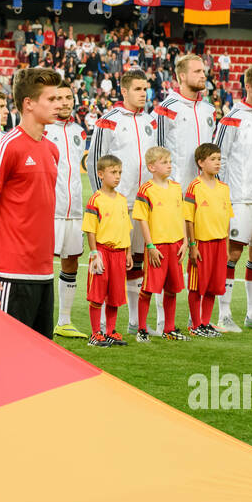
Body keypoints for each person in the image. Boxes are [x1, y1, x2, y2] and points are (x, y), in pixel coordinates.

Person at [0, 67, 63, 337]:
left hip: (45, 274)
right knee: (6, 361)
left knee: (40, 363)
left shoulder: (51, 149)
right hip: (11, 275)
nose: (59, 104)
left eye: (59, 98)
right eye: (51, 99)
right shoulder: (7, 147)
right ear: (29, 103)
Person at [89, 70, 161, 335]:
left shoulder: (150, 121)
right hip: (118, 204)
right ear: (125, 91)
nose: (144, 93)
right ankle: (106, 326)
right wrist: (103, 201)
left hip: (144, 202)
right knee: (115, 261)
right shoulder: (108, 121)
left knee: (139, 260)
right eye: (139, 89)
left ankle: (134, 322)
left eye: (146, 89)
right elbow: (94, 159)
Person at [214, 65, 252, 333]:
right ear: (247, 87)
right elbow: (220, 157)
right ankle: (224, 314)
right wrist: (222, 195)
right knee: (233, 253)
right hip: (239, 197)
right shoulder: (231, 118)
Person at [47, 82, 89, 339]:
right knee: (41, 262)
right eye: (59, 98)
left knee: (71, 260)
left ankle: (64, 320)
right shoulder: (42, 128)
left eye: (68, 97)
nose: (64, 102)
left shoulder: (79, 131)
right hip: (49, 208)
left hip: (73, 209)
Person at [132, 147, 186, 341]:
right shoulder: (146, 190)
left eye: (170, 161)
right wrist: (150, 246)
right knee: (148, 288)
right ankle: (142, 329)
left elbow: (182, 216)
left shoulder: (176, 187)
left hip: (176, 245)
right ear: (151, 167)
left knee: (172, 289)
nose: (169, 165)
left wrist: (186, 241)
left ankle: (169, 329)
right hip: (158, 247)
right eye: (164, 162)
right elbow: (142, 220)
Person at [183, 143, 234, 337]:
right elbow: (189, 218)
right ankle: (195, 325)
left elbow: (227, 218)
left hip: (220, 243)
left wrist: (227, 245)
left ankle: (205, 323)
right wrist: (193, 245)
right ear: (201, 163)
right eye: (213, 159)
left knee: (213, 286)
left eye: (219, 159)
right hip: (201, 244)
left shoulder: (224, 188)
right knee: (197, 286)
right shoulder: (194, 187)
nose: (217, 163)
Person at [83, 154, 134, 347]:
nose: (118, 176)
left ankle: (110, 331)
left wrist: (128, 253)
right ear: (101, 174)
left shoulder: (122, 200)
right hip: (103, 253)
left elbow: (125, 227)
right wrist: (94, 254)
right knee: (97, 295)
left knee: (115, 295)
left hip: (120, 253)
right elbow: (90, 229)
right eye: (113, 172)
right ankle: (95, 334)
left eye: (120, 172)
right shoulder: (96, 200)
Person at [156, 53, 215, 189]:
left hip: (204, 190)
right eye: (197, 71)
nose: (203, 76)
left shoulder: (209, 110)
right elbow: (156, 149)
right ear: (182, 76)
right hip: (175, 190)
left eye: (203, 71)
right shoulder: (166, 108)